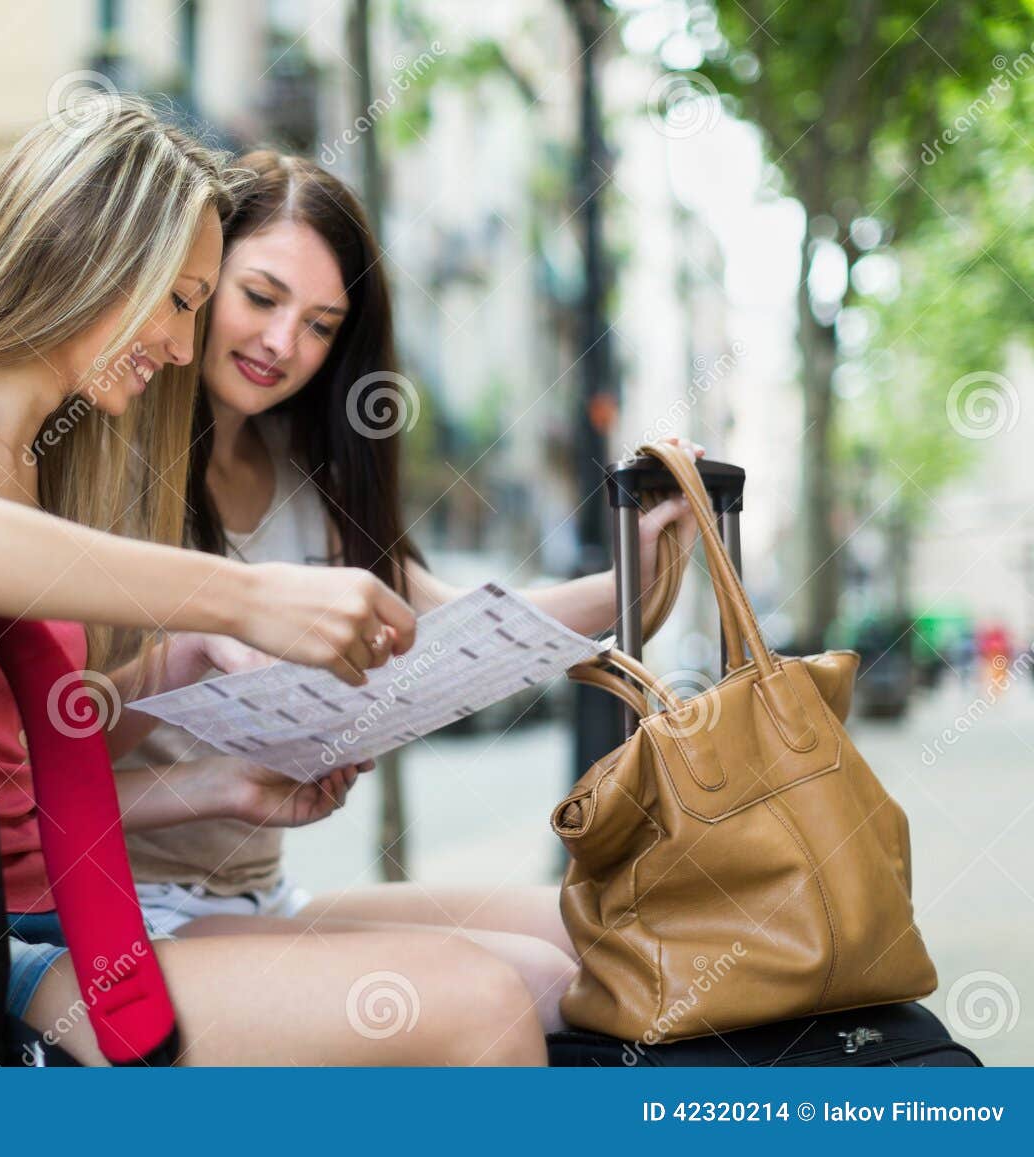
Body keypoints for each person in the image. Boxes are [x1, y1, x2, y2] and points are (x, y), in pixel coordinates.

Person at [0, 101, 546, 1065]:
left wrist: (219, 780)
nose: (185, 347)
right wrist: (242, 596)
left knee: (517, 975)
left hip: (67, 920)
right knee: (481, 1004)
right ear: (88, 253)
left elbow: (12, 793)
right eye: (180, 301)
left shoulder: (54, 470)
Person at [109, 151, 704, 1034]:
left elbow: (453, 619)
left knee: (615, 931)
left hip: (258, 893)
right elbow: (34, 754)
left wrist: (630, 580)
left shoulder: (298, 469)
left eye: (320, 325)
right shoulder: (105, 467)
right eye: (261, 298)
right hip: (124, 908)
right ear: (192, 279)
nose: (283, 345)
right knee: (534, 985)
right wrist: (201, 688)